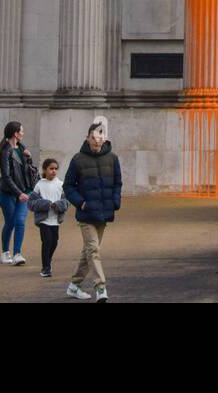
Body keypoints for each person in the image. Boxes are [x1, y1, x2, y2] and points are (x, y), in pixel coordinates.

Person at [63, 121, 122, 302]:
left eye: (100, 137)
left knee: (89, 251)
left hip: (103, 213)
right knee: (93, 250)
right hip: (86, 214)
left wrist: (115, 202)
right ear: (88, 138)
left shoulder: (112, 158)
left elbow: (117, 183)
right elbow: (68, 186)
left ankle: (74, 285)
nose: (97, 141)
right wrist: (80, 203)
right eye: (94, 138)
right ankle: (101, 288)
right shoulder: (78, 159)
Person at [0, 121, 36, 266]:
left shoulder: (22, 149)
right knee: (10, 223)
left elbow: (29, 171)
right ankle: (5, 252)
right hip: (9, 195)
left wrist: (29, 158)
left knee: (20, 222)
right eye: (21, 131)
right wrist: (18, 193)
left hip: (24, 193)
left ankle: (17, 253)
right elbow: (6, 176)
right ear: (16, 134)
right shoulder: (6, 151)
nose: (23, 133)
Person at [28, 158, 70, 278]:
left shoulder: (61, 185)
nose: (53, 171)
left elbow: (67, 202)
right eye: (51, 168)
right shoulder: (39, 185)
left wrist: (58, 205)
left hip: (55, 220)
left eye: (55, 169)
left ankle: (48, 260)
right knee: (46, 242)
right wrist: (46, 204)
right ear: (45, 170)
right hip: (44, 220)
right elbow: (31, 203)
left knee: (54, 242)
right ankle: (45, 268)